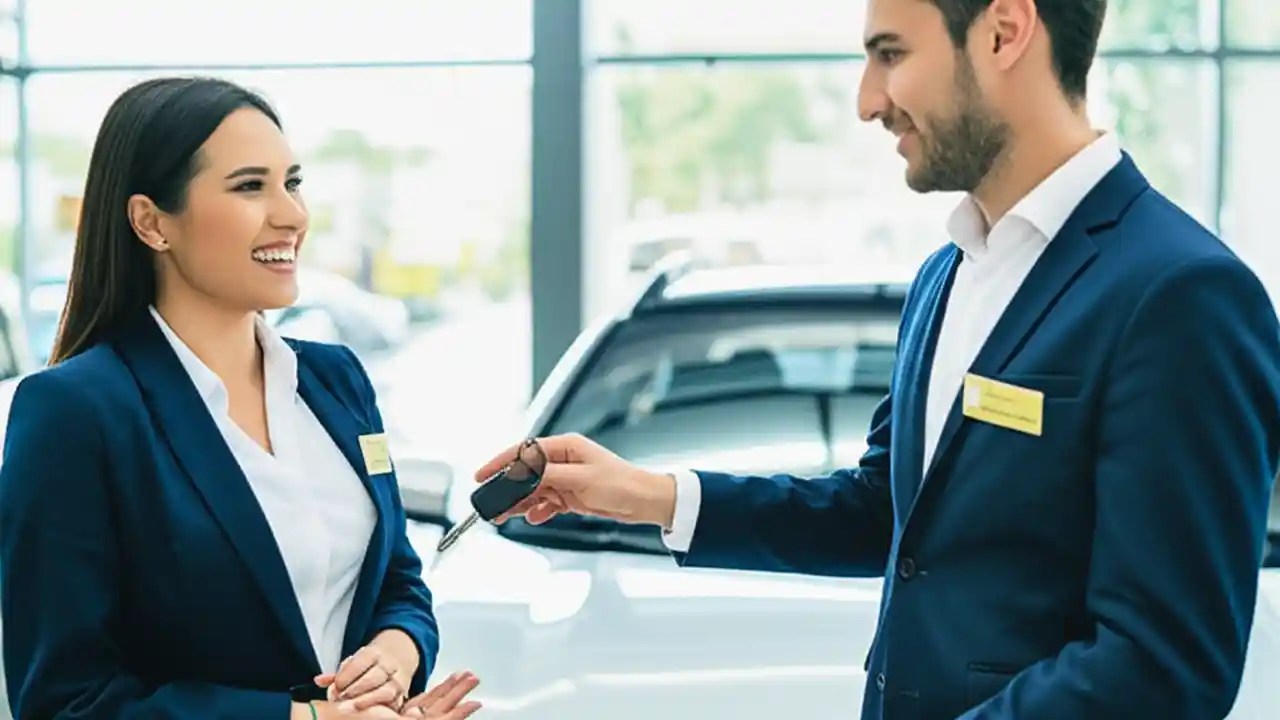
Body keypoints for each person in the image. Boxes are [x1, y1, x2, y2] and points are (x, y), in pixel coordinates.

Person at [477, 0, 1280, 718]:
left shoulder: (1182, 294)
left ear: (1005, 31)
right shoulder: (946, 275)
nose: (868, 101)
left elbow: (1163, 665)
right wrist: (647, 495)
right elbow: (887, 515)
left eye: (890, 53)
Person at [0, 77, 480, 720]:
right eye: (250, 186)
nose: (292, 214)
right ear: (151, 222)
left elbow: (395, 578)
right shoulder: (74, 412)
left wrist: (395, 654)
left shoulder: (337, 380)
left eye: (293, 183)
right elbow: (66, 702)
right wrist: (305, 718)